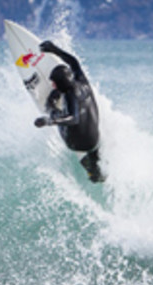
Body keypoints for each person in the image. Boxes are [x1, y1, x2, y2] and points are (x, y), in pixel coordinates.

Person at [33, 40, 104, 182]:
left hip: (76, 144)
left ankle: (90, 167)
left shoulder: (72, 97)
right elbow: (73, 62)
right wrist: (55, 50)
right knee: (86, 112)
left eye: (54, 83)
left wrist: (50, 120)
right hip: (95, 138)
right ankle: (96, 162)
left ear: (62, 84)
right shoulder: (81, 79)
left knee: (51, 108)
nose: (52, 85)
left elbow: (73, 118)